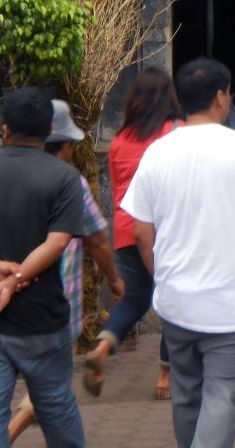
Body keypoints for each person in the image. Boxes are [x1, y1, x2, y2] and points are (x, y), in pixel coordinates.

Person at [121, 56, 235, 448]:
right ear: (220, 97)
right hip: (230, 307)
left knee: (186, 395)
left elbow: (141, 232)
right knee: (223, 396)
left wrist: (162, 276)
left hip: (176, 302)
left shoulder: (157, 153)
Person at [0, 87, 86, 448]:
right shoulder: (64, 178)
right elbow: (57, 242)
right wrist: (14, 280)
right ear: (48, 132)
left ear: (5, 130)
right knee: (56, 405)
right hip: (42, 318)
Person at [8, 100, 124, 443]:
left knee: (31, 388)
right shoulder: (71, 183)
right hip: (56, 304)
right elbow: (98, 241)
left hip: (6, 299)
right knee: (50, 390)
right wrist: (115, 280)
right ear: (65, 146)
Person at [84, 66, 181, 399]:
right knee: (173, 299)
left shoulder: (119, 140)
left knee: (135, 298)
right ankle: (165, 378)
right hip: (163, 229)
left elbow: (116, 192)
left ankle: (102, 346)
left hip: (127, 228)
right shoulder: (175, 133)